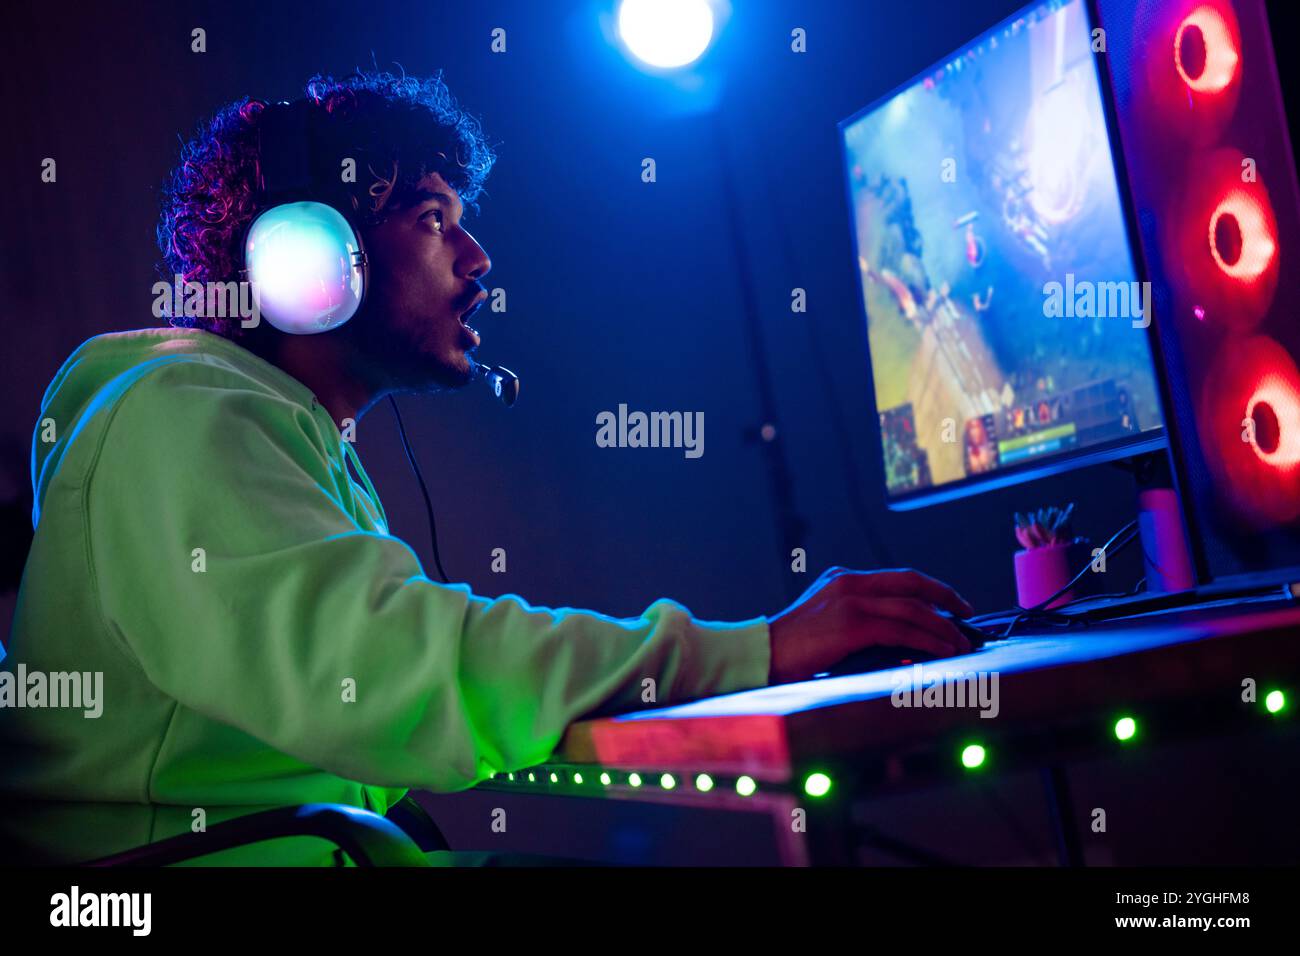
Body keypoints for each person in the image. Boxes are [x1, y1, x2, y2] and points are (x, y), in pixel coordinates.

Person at [0, 71, 973, 865]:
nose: (478, 257)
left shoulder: (269, 435)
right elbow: (411, 665)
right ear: (306, 257)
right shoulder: (176, 423)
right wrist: (759, 647)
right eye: (432, 217)